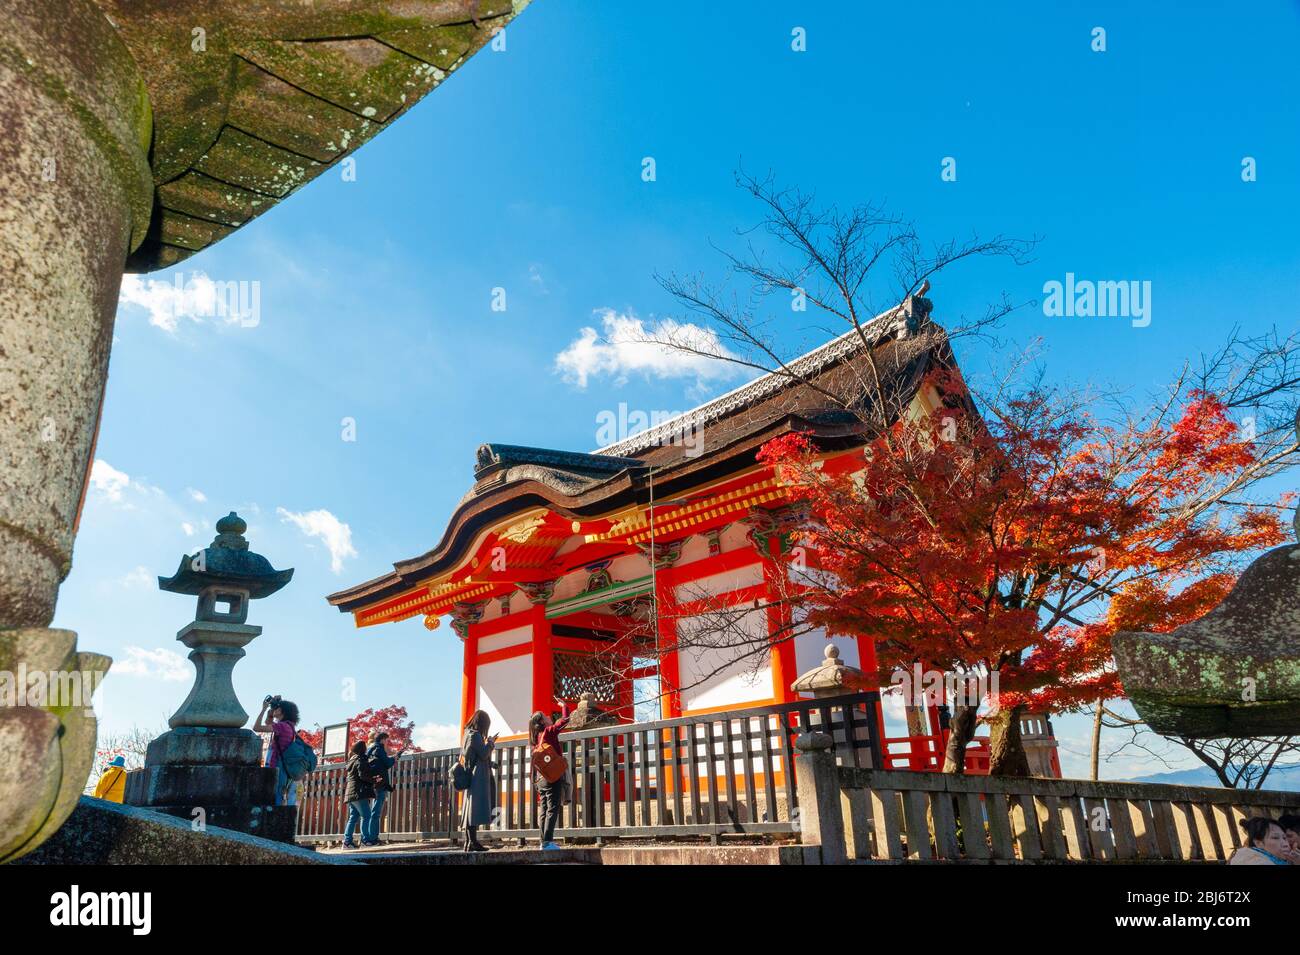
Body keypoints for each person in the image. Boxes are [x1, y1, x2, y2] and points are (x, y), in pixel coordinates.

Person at [529, 701, 572, 850]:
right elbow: (565, 720)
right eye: (545, 716)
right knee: (553, 808)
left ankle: (543, 842)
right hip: (552, 776)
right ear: (541, 721)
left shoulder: (535, 739)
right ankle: (548, 842)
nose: (548, 716)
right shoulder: (548, 732)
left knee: (544, 809)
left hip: (541, 778)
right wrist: (564, 706)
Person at [253, 695, 301, 806]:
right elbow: (268, 723)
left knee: (274, 797)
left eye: (278, 708)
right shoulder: (288, 726)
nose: (275, 709)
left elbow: (256, 727)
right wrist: (270, 712)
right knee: (276, 795)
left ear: (283, 711)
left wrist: (264, 709)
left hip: (277, 767)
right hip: (281, 767)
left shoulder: (283, 726)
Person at [460, 710, 497, 852]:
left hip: (471, 774)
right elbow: (483, 754)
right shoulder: (475, 735)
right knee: (474, 810)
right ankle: (472, 842)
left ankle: (469, 842)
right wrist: (491, 743)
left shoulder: (467, 734)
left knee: (470, 809)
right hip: (478, 777)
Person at [364, 730, 407, 847]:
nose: (387, 743)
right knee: (376, 812)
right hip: (380, 783)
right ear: (382, 739)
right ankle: (373, 838)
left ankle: (366, 838)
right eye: (387, 740)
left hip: (371, 783)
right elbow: (387, 763)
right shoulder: (379, 748)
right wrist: (395, 757)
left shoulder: (369, 749)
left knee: (369, 812)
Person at [342, 739, 376, 849]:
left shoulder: (351, 760)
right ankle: (365, 841)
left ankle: (347, 842)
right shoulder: (360, 760)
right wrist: (374, 779)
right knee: (366, 815)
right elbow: (363, 775)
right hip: (359, 792)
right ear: (363, 749)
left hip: (350, 792)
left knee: (353, 817)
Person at [1228, 816, 1293, 865]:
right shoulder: (1256, 862)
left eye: (1284, 838)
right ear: (1258, 843)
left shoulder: (1275, 860)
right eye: (1275, 838)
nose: (1285, 844)